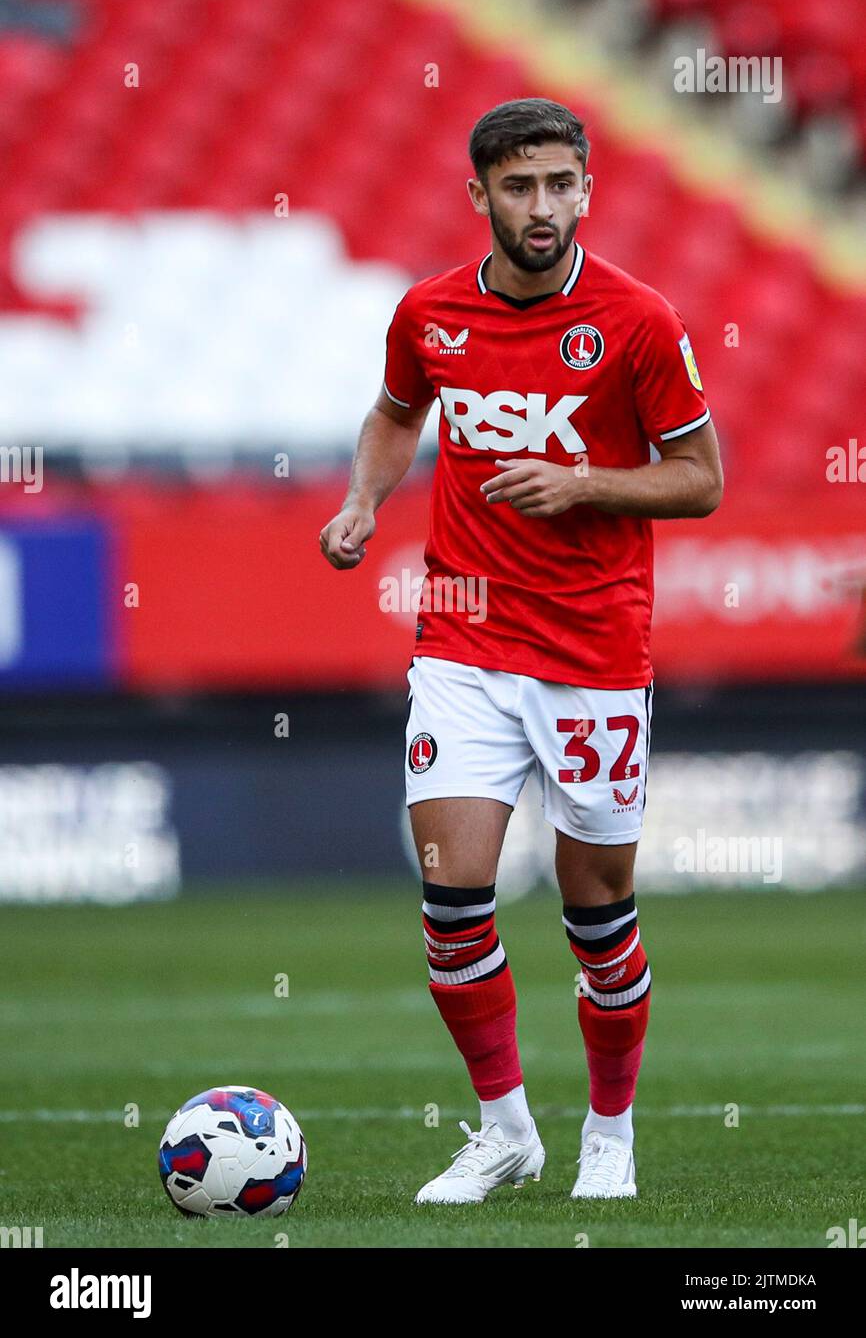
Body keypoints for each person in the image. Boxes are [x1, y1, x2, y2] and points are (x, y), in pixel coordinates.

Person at [319, 97, 723, 1203]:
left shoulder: (636, 322)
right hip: (459, 634)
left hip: (592, 649)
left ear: (585, 190)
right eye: (517, 187)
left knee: (595, 915)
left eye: (558, 185)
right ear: (479, 196)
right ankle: (504, 1129)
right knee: (452, 902)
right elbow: (397, 413)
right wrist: (363, 501)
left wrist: (584, 480)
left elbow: (701, 479)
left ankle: (608, 1131)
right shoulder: (430, 311)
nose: (539, 207)